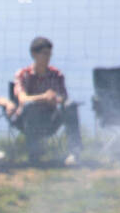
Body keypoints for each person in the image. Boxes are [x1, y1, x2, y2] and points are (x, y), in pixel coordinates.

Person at [7, 36, 82, 166]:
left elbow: (63, 97)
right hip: (26, 121)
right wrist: (43, 97)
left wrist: (55, 100)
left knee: (70, 106)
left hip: (50, 119)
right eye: (44, 54)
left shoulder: (56, 74)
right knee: (30, 106)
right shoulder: (23, 74)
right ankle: (34, 154)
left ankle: (75, 153)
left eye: (49, 54)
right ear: (34, 54)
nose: (48, 57)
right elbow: (22, 99)